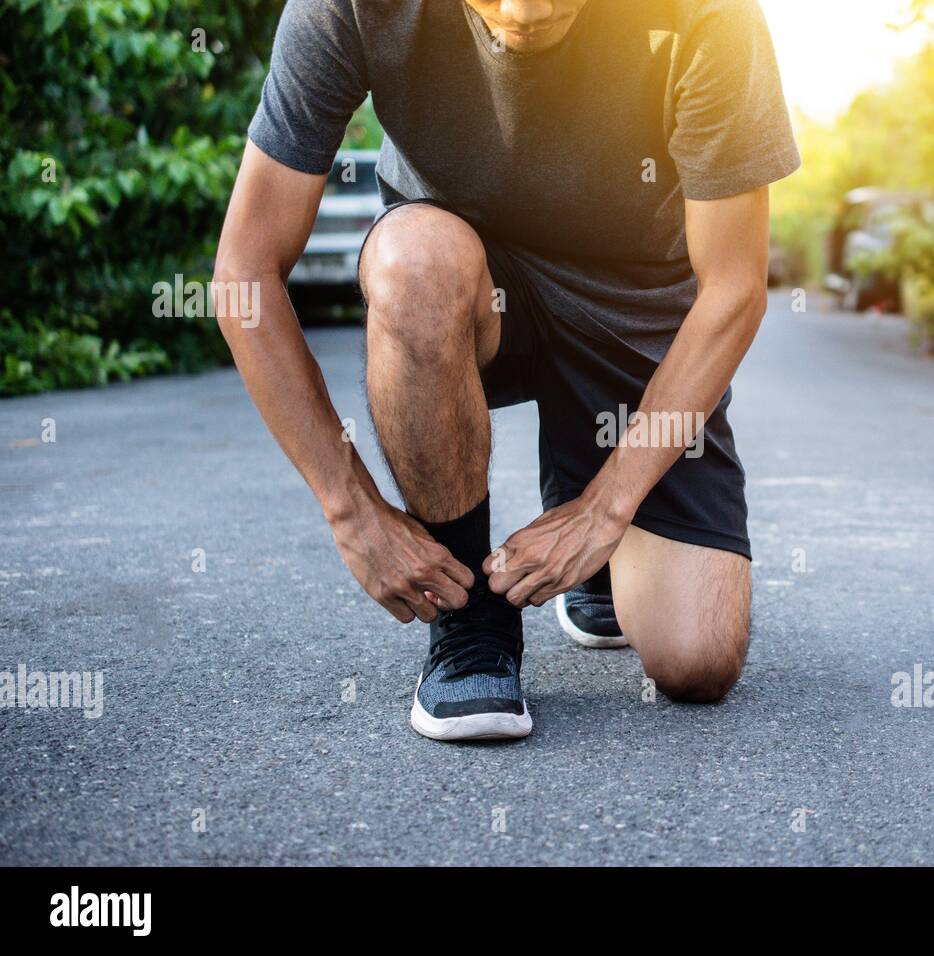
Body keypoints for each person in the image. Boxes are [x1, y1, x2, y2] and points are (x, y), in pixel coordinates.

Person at [213, 0, 801, 741]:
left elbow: (734, 289)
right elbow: (244, 270)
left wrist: (606, 509)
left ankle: (590, 506)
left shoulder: (710, 16)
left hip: (634, 309)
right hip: (464, 283)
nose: (531, 10)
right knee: (414, 260)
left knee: (697, 661)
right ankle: (471, 627)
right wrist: (350, 507)